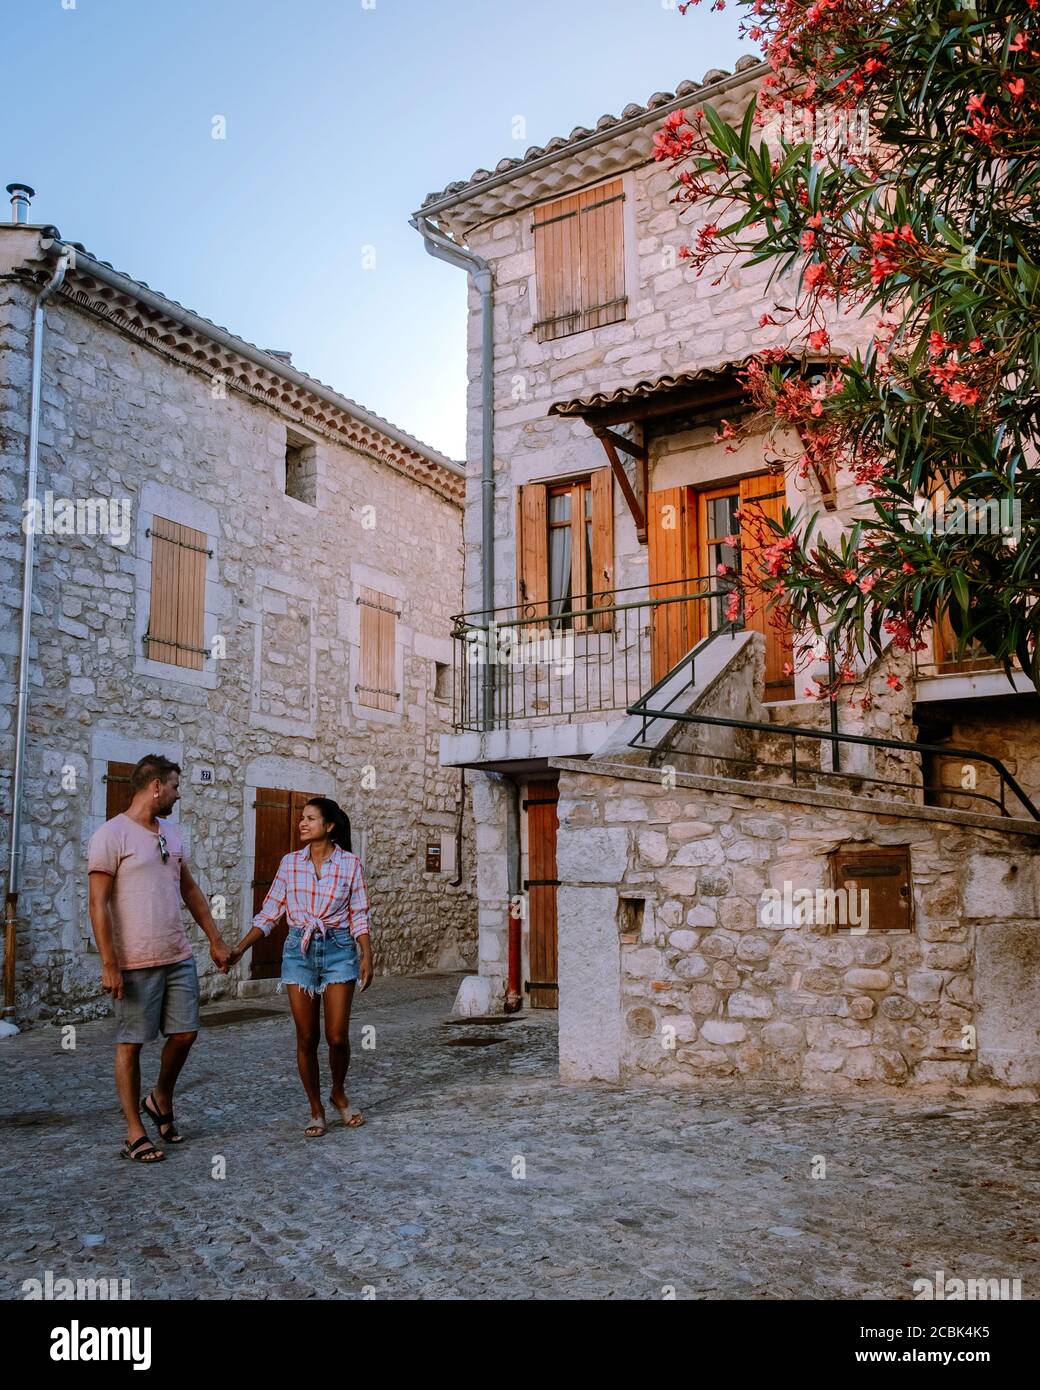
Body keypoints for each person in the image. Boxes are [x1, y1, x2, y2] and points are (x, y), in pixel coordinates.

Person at [87, 754, 231, 1164]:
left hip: (177, 954)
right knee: (131, 1044)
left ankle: (160, 1096)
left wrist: (215, 940)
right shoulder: (110, 835)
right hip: (134, 960)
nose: (178, 793)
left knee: (185, 1033)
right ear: (155, 786)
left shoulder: (172, 833)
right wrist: (109, 963)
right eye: (174, 785)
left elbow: (189, 889)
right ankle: (134, 1132)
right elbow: (97, 905)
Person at [229, 797, 372, 1137]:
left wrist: (367, 954)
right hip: (299, 951)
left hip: (338, 950)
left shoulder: (350, 864)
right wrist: (239, 948)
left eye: (310, 818)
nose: (302, 824)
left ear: (329, 826)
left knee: (337, 1036)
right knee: (307, 1036)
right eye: (301, 818)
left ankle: (338, 1091)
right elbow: (270, 913)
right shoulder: (289, 864)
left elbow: (359, 914)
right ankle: (316, 1108)